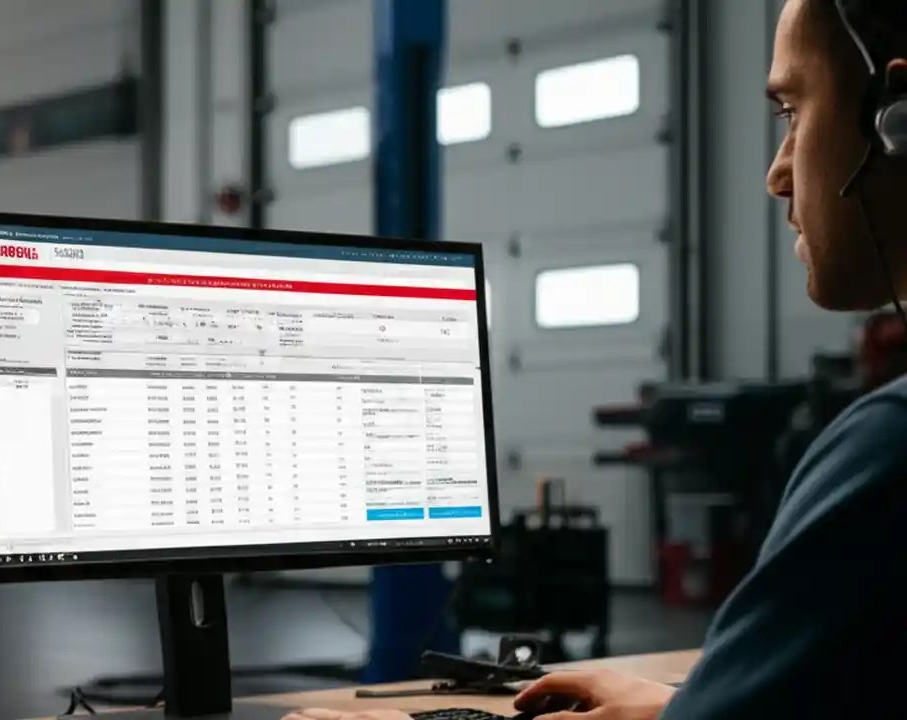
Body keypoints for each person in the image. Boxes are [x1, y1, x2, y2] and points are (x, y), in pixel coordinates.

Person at [285, 0, 907, 718]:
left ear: (896, 120)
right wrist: (684, 707)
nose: (776, 172)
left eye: (793, 111)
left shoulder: (888, 449)